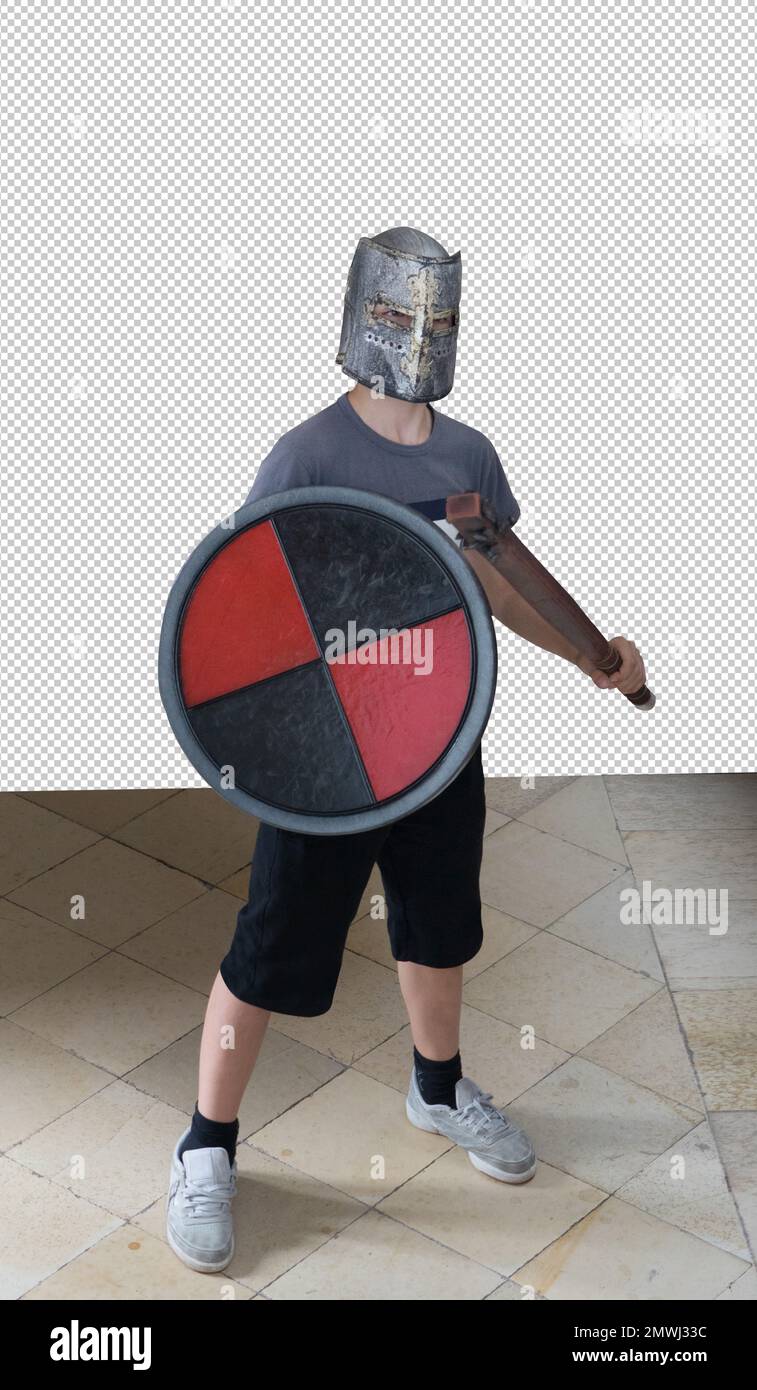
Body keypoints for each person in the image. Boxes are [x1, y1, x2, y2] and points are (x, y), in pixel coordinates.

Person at [166, 227, 647, 1273]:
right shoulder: (305, 454)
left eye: (437, 314)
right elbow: (252, 613)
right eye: (395, 311)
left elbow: (500, 587)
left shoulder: (467, 454)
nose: (416, 332)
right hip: (325, 759)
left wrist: (591, 654)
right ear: (357, 314)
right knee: (272, 939)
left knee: (437, 928)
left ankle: (436, 1089)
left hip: (434, 739)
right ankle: (206, 1144)